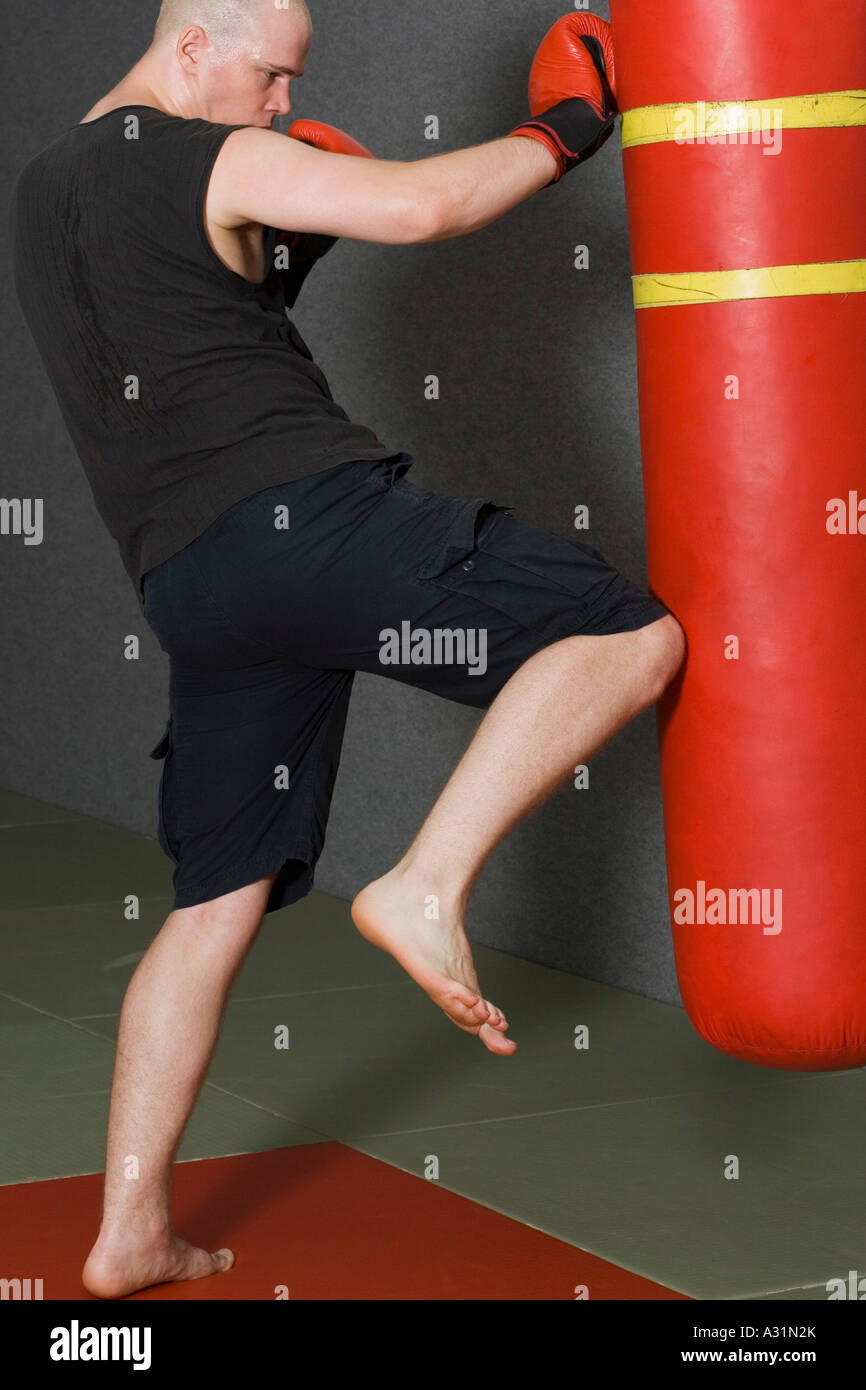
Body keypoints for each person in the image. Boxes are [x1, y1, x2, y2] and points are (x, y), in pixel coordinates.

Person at [10, 0, 685, 1298]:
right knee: (629, 633)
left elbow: (168, 344)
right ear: (193, 44)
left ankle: (126, 1231)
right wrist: (567, 126)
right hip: (305, 519)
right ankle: (422, 883)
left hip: (189, 578)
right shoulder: (205, 151)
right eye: (269, 76)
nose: (277, 105)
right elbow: (425, 208)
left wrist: (271, 272)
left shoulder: (47, 190)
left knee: (210, 908)